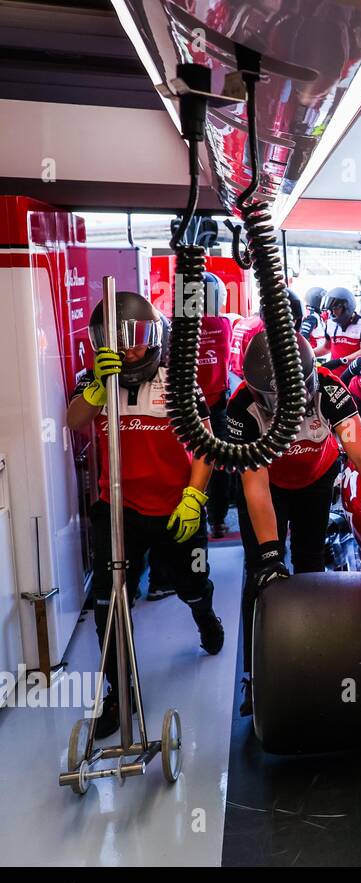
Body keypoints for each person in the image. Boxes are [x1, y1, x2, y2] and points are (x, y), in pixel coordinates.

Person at [66, 291, 223, 739]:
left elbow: (206, 448)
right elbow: (74, 419)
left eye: (135, 338)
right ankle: (121, 691)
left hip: (175, 510)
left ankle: (205, 616)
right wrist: (98, 387)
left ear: (154, 337)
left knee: (192, 585)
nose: (128, 349)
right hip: (118, 512)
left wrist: (194, 498)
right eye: (118, 339)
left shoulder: (179, 384)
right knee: (110, 605)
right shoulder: (95, 381)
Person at [229, 331, 361, 717]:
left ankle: (309, 653)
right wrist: (270, 554)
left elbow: (359, 450)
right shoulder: (241, 408)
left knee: (310, 564)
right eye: (270, 400)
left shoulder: (331, 391)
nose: (278, 407)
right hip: (268, 485)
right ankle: (253, 674)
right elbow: (255, 487)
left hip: (315, 480)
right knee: (260, 575)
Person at [196, 272, 235, 538]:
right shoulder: (223, 324)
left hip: (188, 407)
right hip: (216, 407)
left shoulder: (178, 329)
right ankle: (217, 521)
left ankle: (197, 517)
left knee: (191, 462)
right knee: (220, 464)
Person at [317, 286, 361, 366]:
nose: (332, 312)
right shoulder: (330, 323)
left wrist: (341, 361)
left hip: (353, 372)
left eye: (335, 308)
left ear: (346, 307)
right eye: (331, 309)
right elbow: (326, 348)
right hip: (334, 371)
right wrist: (308, 353)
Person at [299, 286, 327, 352]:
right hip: (316, 354)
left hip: (319, 353)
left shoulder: (315, 315)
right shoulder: (312, 317)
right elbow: (303, 336)